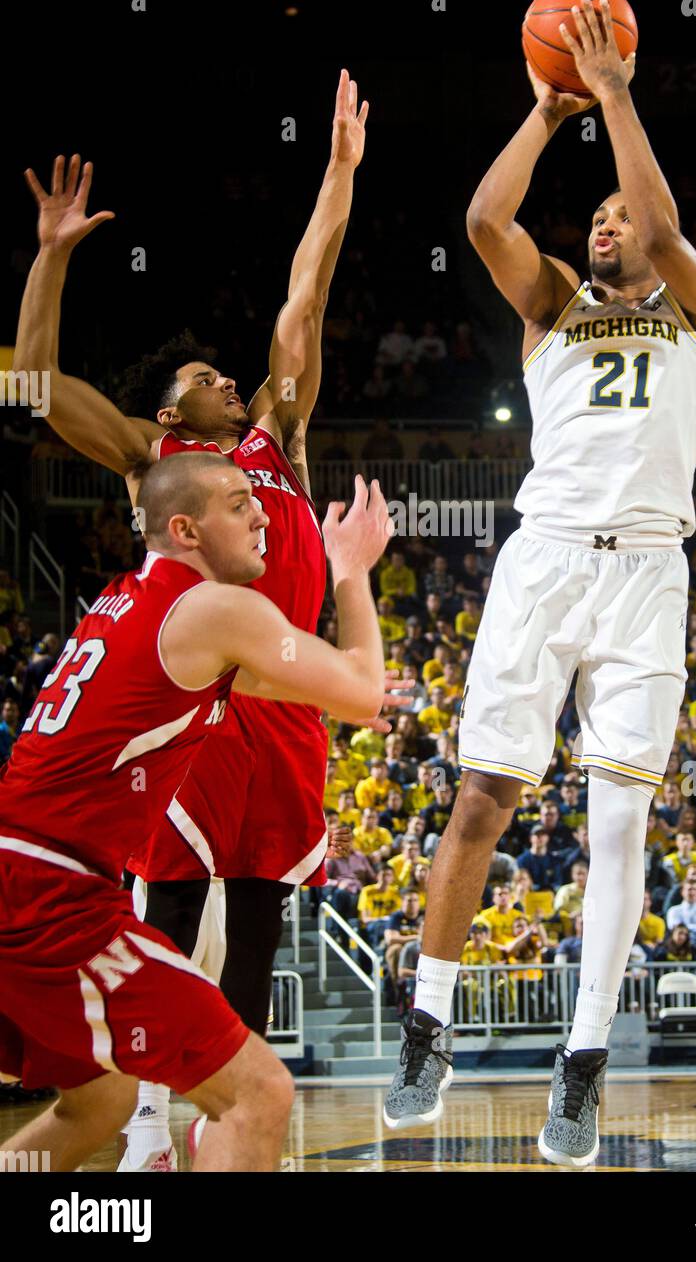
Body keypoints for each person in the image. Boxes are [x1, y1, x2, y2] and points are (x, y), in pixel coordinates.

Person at [382, 0, 696, 1167]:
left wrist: (620, 97)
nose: (600, 223)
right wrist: (544, 112)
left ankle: (580, 1066)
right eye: (589, 213)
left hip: (645, 574)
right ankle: (425, 1024)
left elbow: (669, 224)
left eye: (614, 214)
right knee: (482, 796)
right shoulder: (549, 308)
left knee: (619, 821)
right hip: (542, 562)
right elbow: (485, 215)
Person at [15, 78, 377, 1172]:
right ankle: (143, 1140)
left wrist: (340, 175)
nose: (228, 375)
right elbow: (33, 384)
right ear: (172, 427)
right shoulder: (153, 467)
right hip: (200, 693)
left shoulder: (275, 435)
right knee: (164, 910)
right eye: (202, 378)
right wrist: (53, 253)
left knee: (260, 917)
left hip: (281, 687)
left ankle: (206, 1115)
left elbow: (303, 300)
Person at [0, 454, 390, 1171]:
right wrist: (351, 569)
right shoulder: (212, 608)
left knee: (100, 1100)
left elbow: (307, 685)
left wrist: (334, 682)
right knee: (259, 1094)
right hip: (50, 893)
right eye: (240, 504)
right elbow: (363, 690)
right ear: (184, 529)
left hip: (24, 873)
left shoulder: (128, 601)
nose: (264, 514)